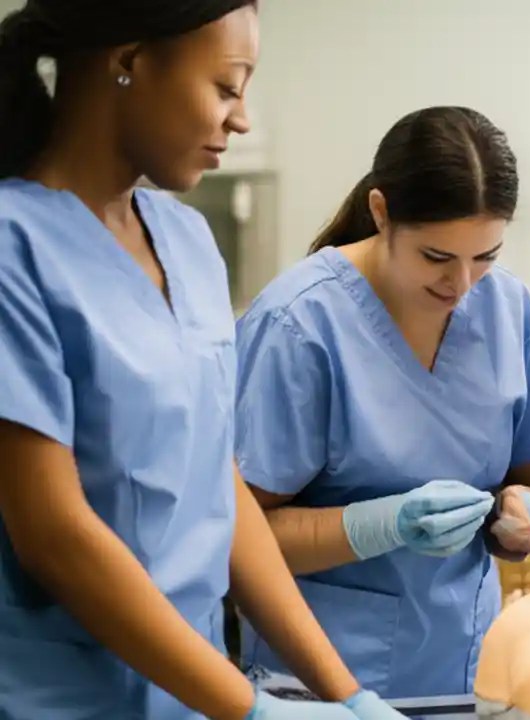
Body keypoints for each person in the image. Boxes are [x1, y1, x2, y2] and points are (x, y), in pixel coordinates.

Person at [0, 2, 408, 719]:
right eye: (227, 86)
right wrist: (251, 711)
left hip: (195, 698)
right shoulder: (14, 246)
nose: (241, 119)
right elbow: (53, 534)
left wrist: (345, 694)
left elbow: (221, 491)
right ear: (128, 62)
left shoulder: (187, 243)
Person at [233, 105, 530, 700]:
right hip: (319, 683)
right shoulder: (300, 324)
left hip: (465, 674)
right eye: (437, 257)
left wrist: (524, 519)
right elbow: (236, 537)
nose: (462, 285)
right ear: (381, 212)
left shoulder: (507, 308)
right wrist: (379, 525)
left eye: (485, 256)